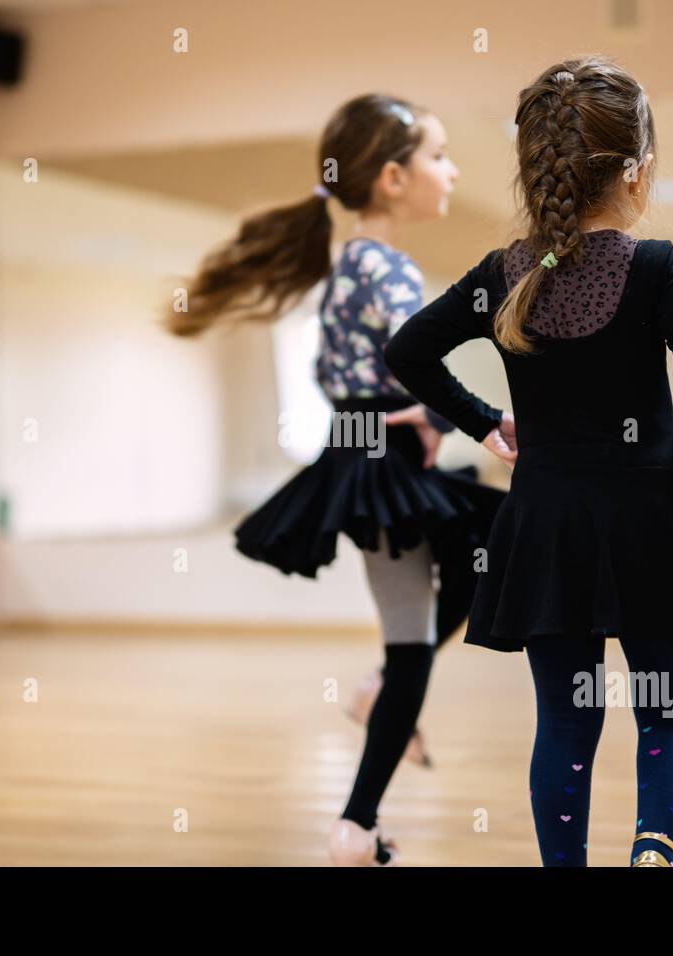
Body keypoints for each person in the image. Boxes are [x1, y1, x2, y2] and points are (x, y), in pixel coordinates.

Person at [385, 56, 673, 867]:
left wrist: (486, 426)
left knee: (566, 723)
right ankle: (653, 849)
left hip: (546, 524)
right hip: (649, 516)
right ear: (638, 172)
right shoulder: (653, 267)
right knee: (667, 715)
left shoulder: (503, 274)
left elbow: (410, 350)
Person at [166, 94, 513, 865]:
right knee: (474, 573)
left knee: (425, 625)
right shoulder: (386, 267)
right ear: (393, 179)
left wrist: (410, 420)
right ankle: (357, 815)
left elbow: (342, 385)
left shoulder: (346, 267)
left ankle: (364, 768)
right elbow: (410, 361)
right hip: (381, 473)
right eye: (439, 155)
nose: (452, 170)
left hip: (357, 465)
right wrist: (456, 418)